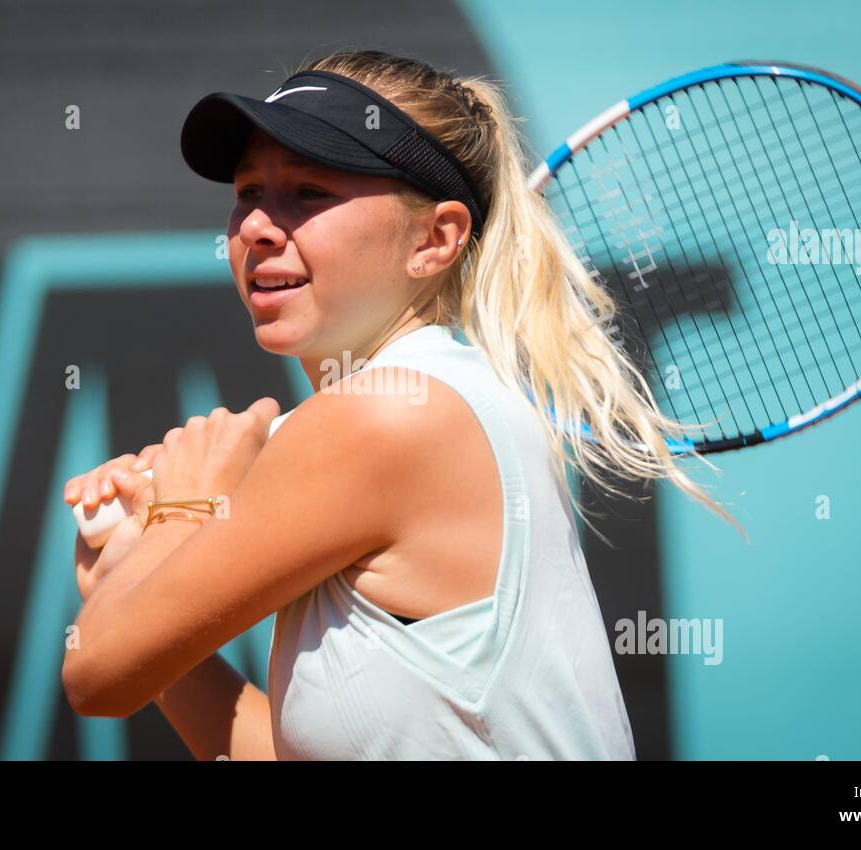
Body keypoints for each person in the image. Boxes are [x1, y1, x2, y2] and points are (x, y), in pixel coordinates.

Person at [60, 49, 741, 760]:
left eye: (310, 193)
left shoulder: (389, 415)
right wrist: (128, 583)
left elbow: (96, 677)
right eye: (249, 191)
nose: (258, 225)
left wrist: (181, 513)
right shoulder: (428, 399)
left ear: (436, 239)